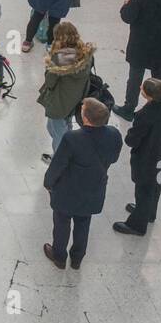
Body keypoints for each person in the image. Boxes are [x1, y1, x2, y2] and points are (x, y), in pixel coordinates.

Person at [42, 97, 122, 270]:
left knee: (62, 224)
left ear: (86, 118)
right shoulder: (114, 135)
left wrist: (48, 183)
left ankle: (59, 256)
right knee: (83, 224)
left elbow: (58, 165)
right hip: (93, 189)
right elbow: (114, 158)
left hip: (67, 191)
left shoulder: (72, 138)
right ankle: (77, 258)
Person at [114, 79, 161, 237]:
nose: (140, 87)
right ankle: (149, 213)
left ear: (148, 95)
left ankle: (137, 225)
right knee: (155, 187)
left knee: (143, 191)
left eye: (142, 87)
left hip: (149, 160)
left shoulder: (146, 114)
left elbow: (132, 140)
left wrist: (129, 135)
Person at [37, 21, 94, 164]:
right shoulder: (85, 53)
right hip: (75, 98)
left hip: (60, 101)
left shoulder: (60, 58)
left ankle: (60, 161)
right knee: (60, 126)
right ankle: (67, 152)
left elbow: (50, 82)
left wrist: (50, 62)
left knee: (58, 133)